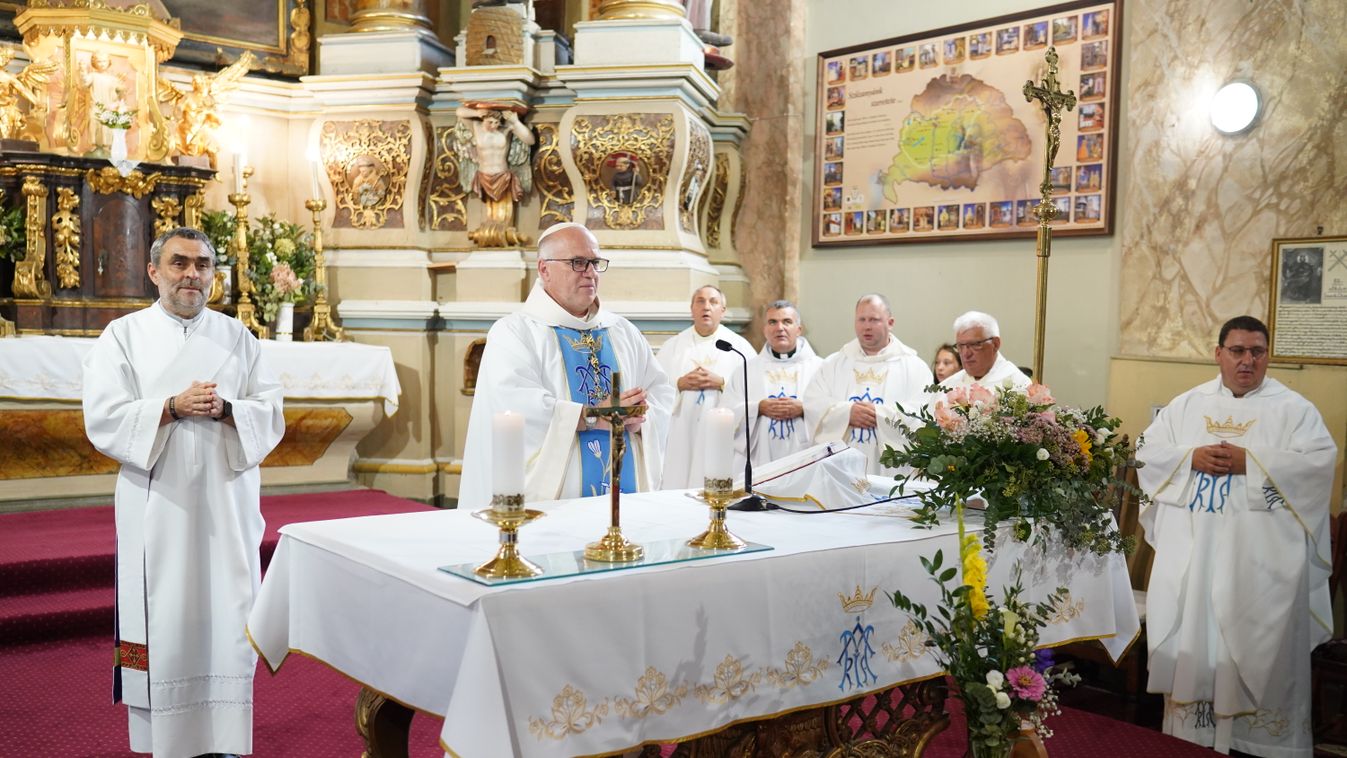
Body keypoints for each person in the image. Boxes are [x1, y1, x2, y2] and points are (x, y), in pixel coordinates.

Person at [81, 227, 285, 758]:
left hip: (227, 507)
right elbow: (102, 418)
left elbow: (272, 412)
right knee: (163, 613)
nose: (191, 274)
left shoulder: (238, 337)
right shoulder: (122, 337)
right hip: (158, 508)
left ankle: (224, 741)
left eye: (202, 265)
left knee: (227, 610)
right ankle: (166, 742)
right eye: (179, 263)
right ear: (154, 272)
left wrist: (230, 410)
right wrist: (170, 407)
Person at [1137, 315, 1336, 758]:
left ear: (1268, 356)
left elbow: (1319, 466)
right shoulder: (1187, 405)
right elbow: (1146, 452)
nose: (1247, 361)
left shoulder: (1294, 410)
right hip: (1196, 557)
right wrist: (1191, 457)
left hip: (1259, 565)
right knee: (1198, 635)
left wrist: (1254, 463)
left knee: (1254, 641)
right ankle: (1193, 737)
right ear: (1219, 354)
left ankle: (1258, 742)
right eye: (1237, 351)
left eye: (1257, 352)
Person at [460, 223, 673, 505]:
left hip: (625, 499)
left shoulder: (622, 331)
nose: (591, 272)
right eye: (578, 262)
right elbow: (516, 407)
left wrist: (639, 418)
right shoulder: (514, 333)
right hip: (551, 506)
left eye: (595, 262)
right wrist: (596, 415)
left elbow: (662, 392)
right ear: (544, 269)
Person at [802, 294, 931, 474]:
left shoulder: (914, 367)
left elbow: (923, 413)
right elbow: (813, 403)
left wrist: (879, 415)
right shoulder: (834, 363)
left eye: (874, 320)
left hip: (893, 472)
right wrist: (847, 413)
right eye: (861, 319)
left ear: (890, 322)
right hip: (843, 469)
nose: (867, 326)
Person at [655, 285, 753, 488]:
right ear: (692, 309)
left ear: (722, 311)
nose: (706, 307)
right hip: (681, 433)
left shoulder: (738, 347)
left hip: (721, 435)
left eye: (713, 302)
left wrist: (722, 383)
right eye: (700, 301)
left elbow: (753, 391)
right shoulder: (672, 347)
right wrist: (678, 384)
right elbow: (654, 390)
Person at [722, 300, 823, 470]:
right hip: (759, 459)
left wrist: (805, 408)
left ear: (799, 329)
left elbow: (833, 411)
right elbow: (726, 412)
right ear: (765, 330)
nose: (780, 328)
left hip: (805, 459)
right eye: (772, 322)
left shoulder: (819, 368)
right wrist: (757, 408)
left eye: (787, 322)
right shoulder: (746, 369)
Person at [940, 310, 1031, 390]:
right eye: (961, 346)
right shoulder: (946, 388)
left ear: (995, 344)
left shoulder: (1019, 386)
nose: (965, 353)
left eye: (974, 344)